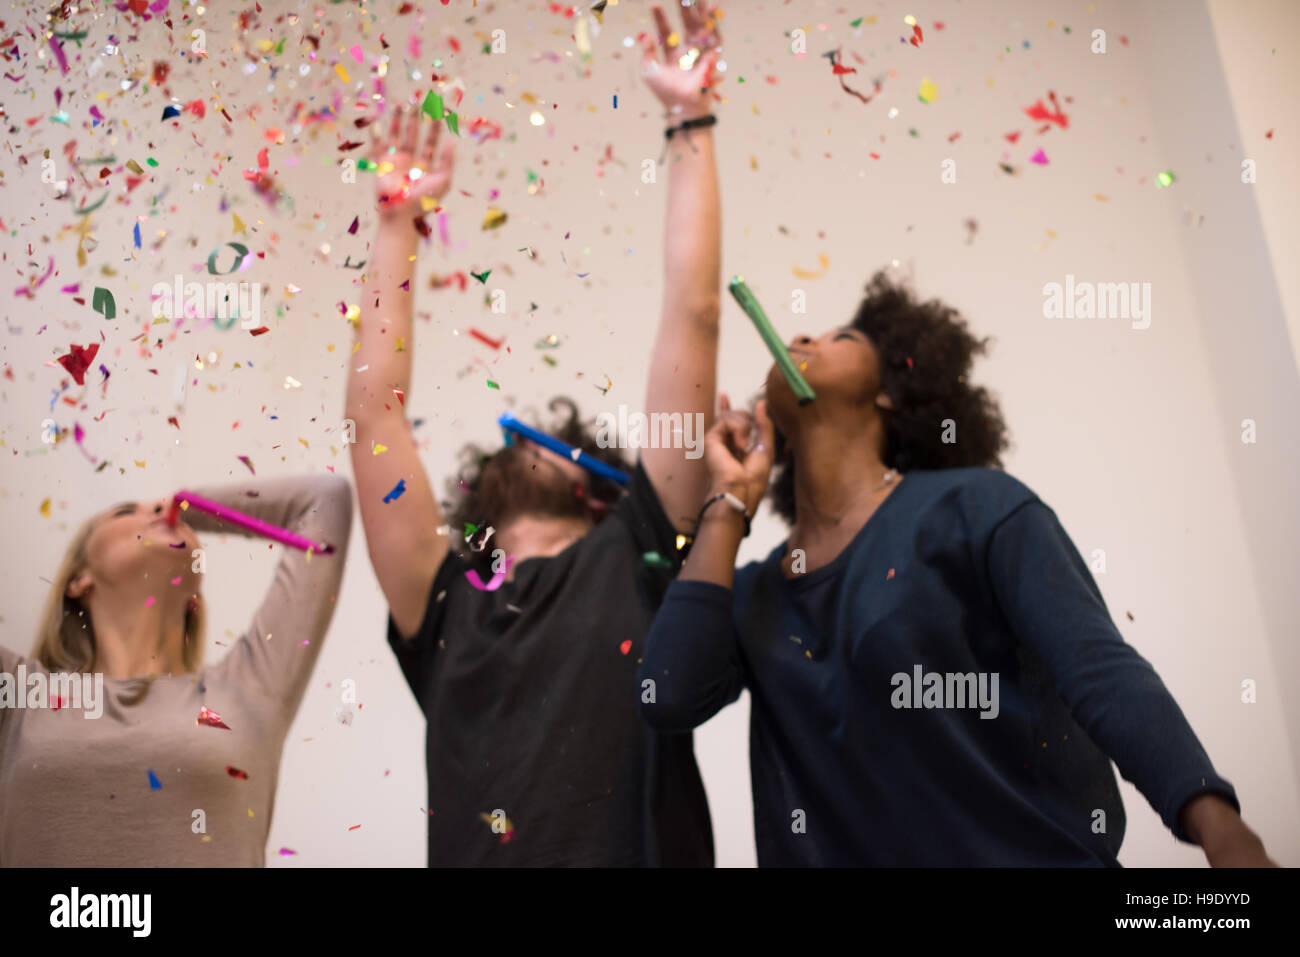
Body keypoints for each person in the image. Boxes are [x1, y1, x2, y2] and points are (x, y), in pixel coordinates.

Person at [637, 270, 1277, 866]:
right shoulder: (752, 596)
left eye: (841, 336)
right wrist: (725, 506)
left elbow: (1099, 670)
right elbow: (666, 695)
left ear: (889, 393)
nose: (803, 337)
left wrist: (1222, 832)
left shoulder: (979, 509)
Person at [346, 3, 726, 865]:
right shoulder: (442, 597)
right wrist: (398, 224)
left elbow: (693, 315)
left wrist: (689, 119)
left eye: (552, 443)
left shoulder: (639, 551)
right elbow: (374, 411)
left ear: (602, 488)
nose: (527, 445)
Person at [0, 474, 353, 866]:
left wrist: (191, 505)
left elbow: (325, 500)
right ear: (78, 579)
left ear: (195, 596)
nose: (156, 510)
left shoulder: (244, 691)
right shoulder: (20, 696)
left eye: (160, 509)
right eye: (125, 512)